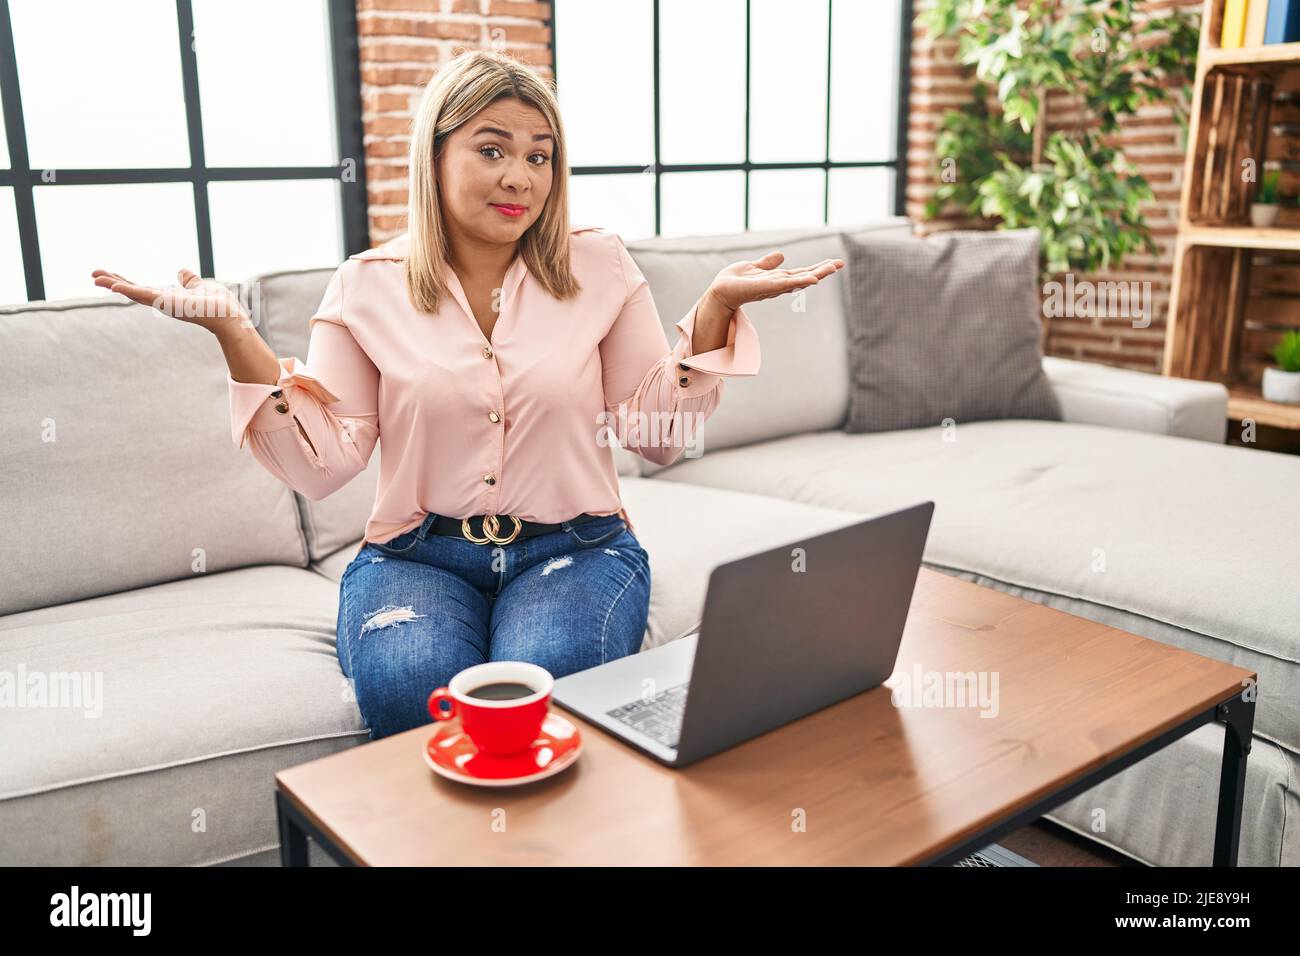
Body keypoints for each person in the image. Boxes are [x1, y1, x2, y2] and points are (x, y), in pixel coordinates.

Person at [92, 50, 844, 741]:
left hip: (575, 549)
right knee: (411, 693)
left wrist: (712, 314)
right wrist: (235, 333)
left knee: (543, 691)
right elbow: (326, 466)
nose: (521, 177)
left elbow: (653, 433)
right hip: (414, 560)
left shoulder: (602, 266)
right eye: (492, 150)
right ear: (436, 155)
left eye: (538, 157)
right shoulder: (366, 285)